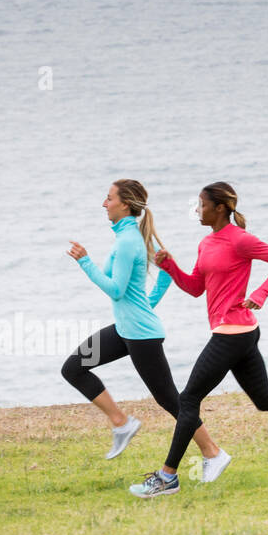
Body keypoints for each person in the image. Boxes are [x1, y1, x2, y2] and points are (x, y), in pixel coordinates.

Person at [129, 181, 268, 498]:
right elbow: (196, 287)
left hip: (233, 333)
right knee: (265, 398)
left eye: (202, 204)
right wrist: (170, 266)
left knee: (188, 401)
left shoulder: (240, 240)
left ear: (220, 207)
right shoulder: (207, 244)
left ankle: (168, 477)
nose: (198, 210)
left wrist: (261, 294)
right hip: (238, 333)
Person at [63, 179, 230, 481]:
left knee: (169, 399)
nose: (104, 204)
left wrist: (85, 262)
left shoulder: (128, 241)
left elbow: (116, 290)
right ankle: (121, 422)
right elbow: (165, 275)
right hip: (128, 329)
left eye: (108, 198)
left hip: (140, 334)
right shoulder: (133, 236)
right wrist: (145, 306)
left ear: (124, 204)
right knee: (74, 367)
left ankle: (213, 452)